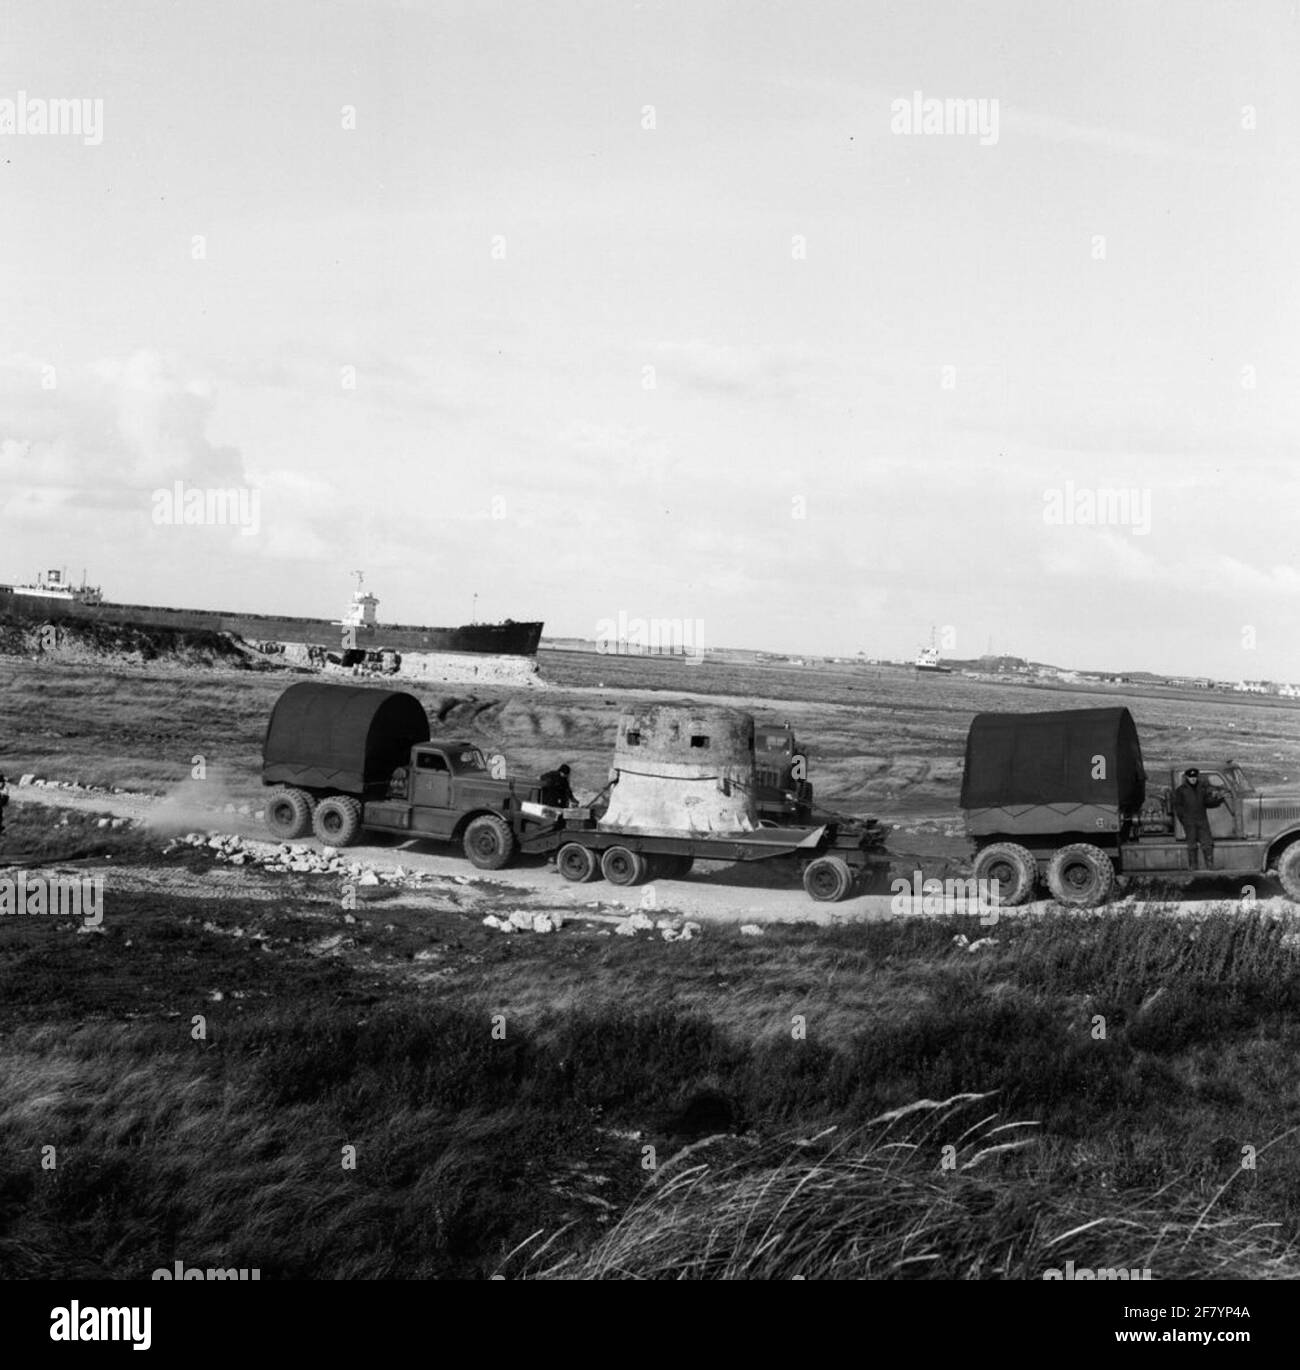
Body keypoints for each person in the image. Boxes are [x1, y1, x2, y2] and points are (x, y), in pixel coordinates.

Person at [1172, 767, 1223, 871]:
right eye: (1191, 777)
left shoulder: (1202, 789)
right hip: (1189, 822)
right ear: (1187, 777)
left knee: (1207, 843)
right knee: (1192, 845)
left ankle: (1210, 866)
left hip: (1202, 820)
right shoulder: (1181, 791)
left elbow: (1207, 802)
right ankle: (1193, 866)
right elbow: (1178, 807)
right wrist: (1185, 821)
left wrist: (1217, 799)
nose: (1193, 779)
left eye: (1194, 777)